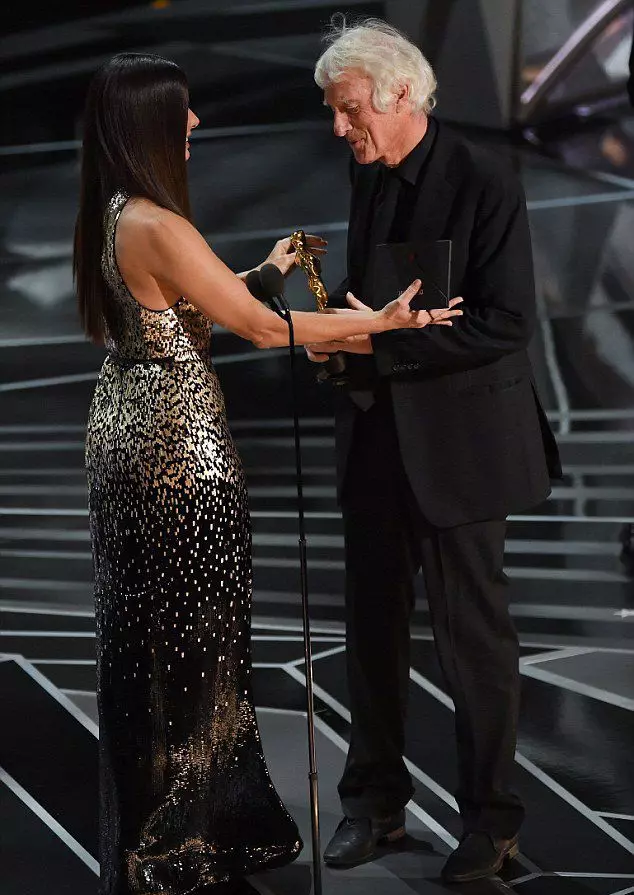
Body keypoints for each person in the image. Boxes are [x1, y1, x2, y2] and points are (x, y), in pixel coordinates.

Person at [74, 52, 461, 895]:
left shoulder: (116, 213)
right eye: (182, 111)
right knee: (197, 644)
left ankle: (174, 822)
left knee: (152, 639)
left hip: (129, 440)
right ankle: (186, 834)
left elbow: (194, 305)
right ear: (149, 123)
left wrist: (279, 264)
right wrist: (381, 327)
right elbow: (253, 328)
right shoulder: (158, 224)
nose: (195, 124)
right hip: (180, 457)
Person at [307, 18, 562, 884]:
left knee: (473, 644)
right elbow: (385, 303)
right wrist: (342, 332)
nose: (341, 129)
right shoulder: (367, 171)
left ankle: (493, 827)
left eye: (350, 111)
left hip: (459, 451)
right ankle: (372, 808)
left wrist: (380, 345)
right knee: (371, 635)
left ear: (401, 94)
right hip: (377, 438)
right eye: (338, 114)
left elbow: (505, 321)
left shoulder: (486, 177)